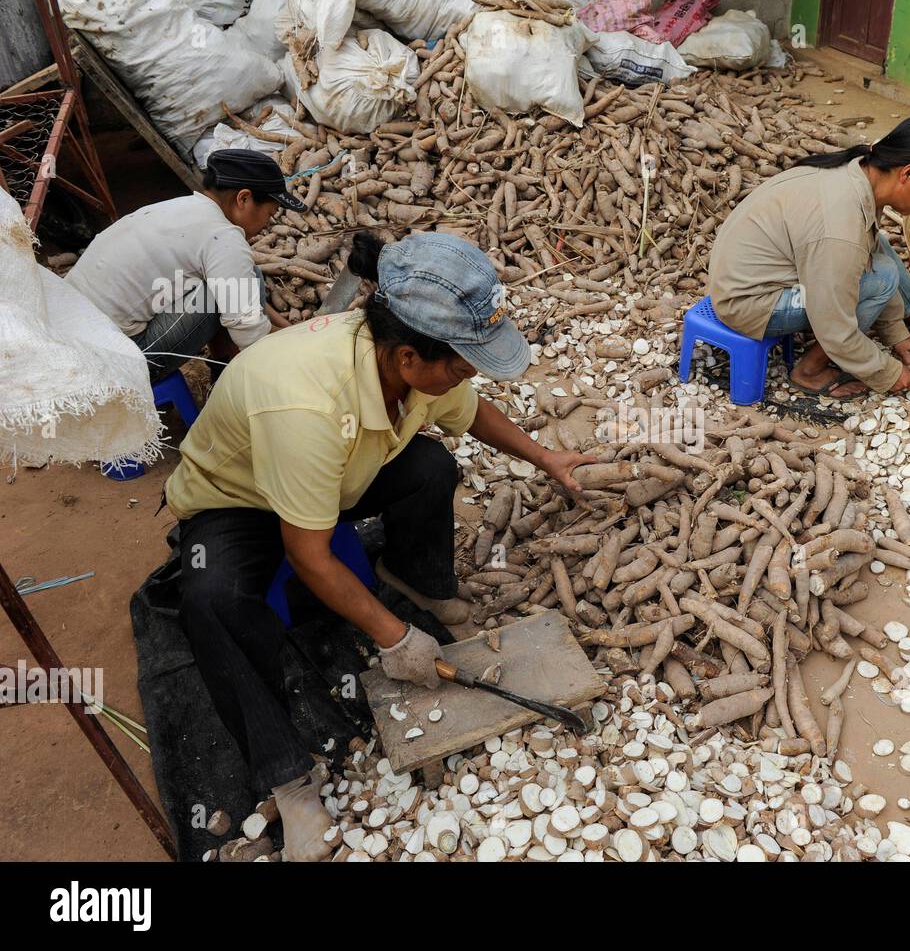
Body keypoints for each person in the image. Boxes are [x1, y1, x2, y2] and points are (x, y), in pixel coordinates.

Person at [162, 231, 593, 860]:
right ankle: (289, 780)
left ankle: (411, 575)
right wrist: (396, 639)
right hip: (240, 500)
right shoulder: (309, 405)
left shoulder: (411, 363)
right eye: (464, 363)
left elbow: (469, 414)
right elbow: (309, 555)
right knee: (213, 600)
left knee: (430, 466)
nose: (469, 374)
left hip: (335, 476)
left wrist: (546, 456)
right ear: (409, 359)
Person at [707, 114, 910, 399]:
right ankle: (809, 371)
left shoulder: (857, 171)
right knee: (881, 277)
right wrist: (886, 372)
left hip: (752, 273)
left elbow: (871, 249)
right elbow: (834, 325)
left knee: (881, 252)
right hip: (748, 302)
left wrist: (897, 335)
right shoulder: (840, 225)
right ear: (908, 173)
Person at [65, 149, 301, 382]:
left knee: (245, 278)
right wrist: (300, 342)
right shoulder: (223, 237)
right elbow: (249, 334)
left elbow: (243, 290)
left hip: (71, 335)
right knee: (223, 293)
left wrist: (286, 327)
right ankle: (232, 378)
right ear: (244, 199)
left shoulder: (180, 208)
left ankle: (224, 368)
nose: (267, 224)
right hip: (115, 363)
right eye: (270, 214)